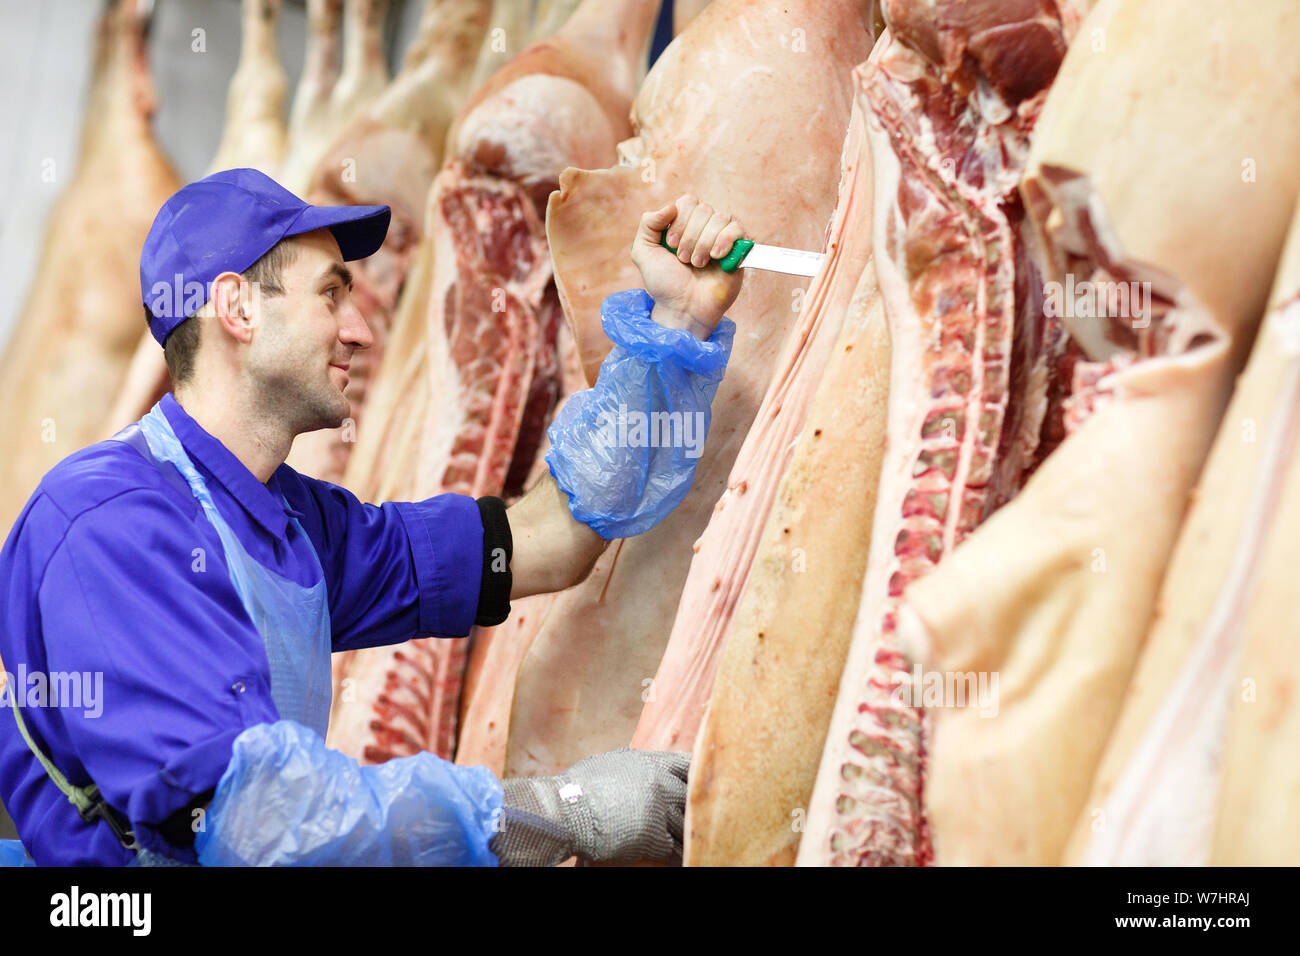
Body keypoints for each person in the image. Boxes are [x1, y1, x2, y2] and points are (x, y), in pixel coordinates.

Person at [0, 168, 745, 866]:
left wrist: (673, 330)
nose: (358, 329)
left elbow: (545, 540)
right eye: (331, 294)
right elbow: (258, 819)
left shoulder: (296, 524)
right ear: (237, 308)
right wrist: (564, 811)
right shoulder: (114, 523)